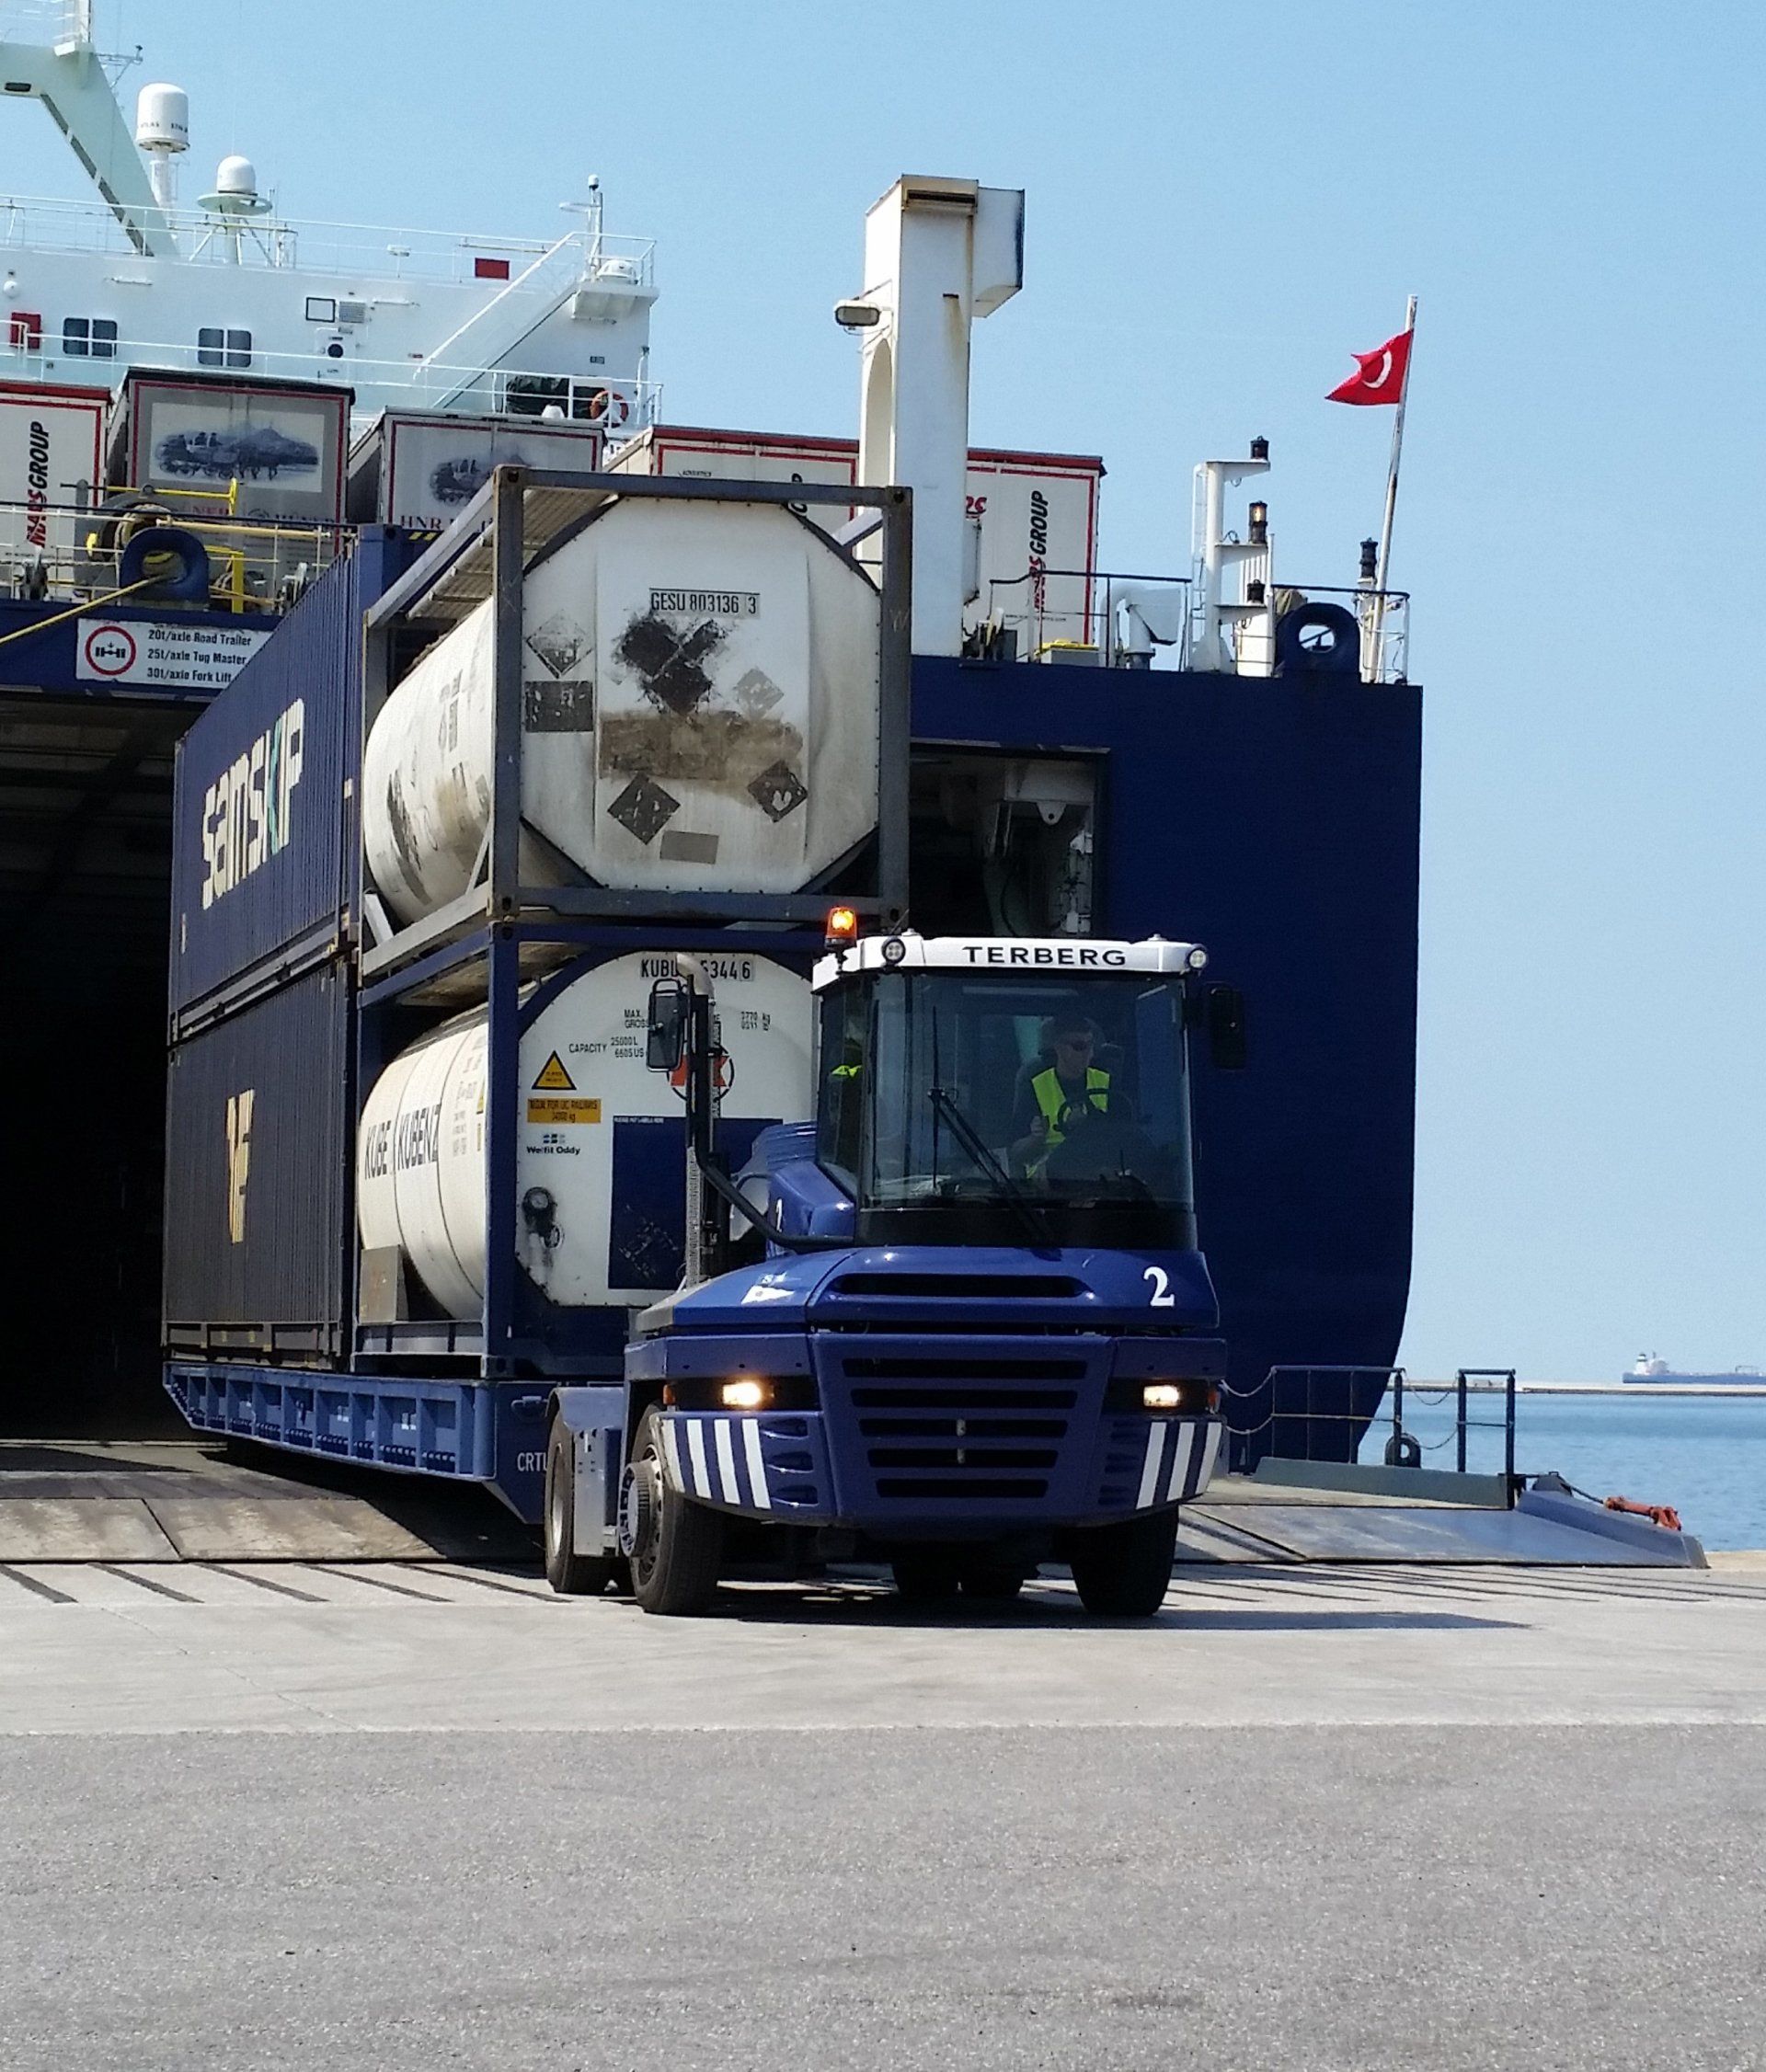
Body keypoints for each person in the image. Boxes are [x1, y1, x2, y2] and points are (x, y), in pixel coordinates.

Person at [1010, 1013, 1111, 1174]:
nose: (1089, 1054)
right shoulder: (1034, 1084)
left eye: (1091, 1045)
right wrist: (1036, 1139)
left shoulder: (1106, 1081)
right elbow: (1016, 1154)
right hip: (1050, 1189)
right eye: (1079, 1047)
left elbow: (1122, 1137)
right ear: (1058, 1047)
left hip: (1099, 1181)